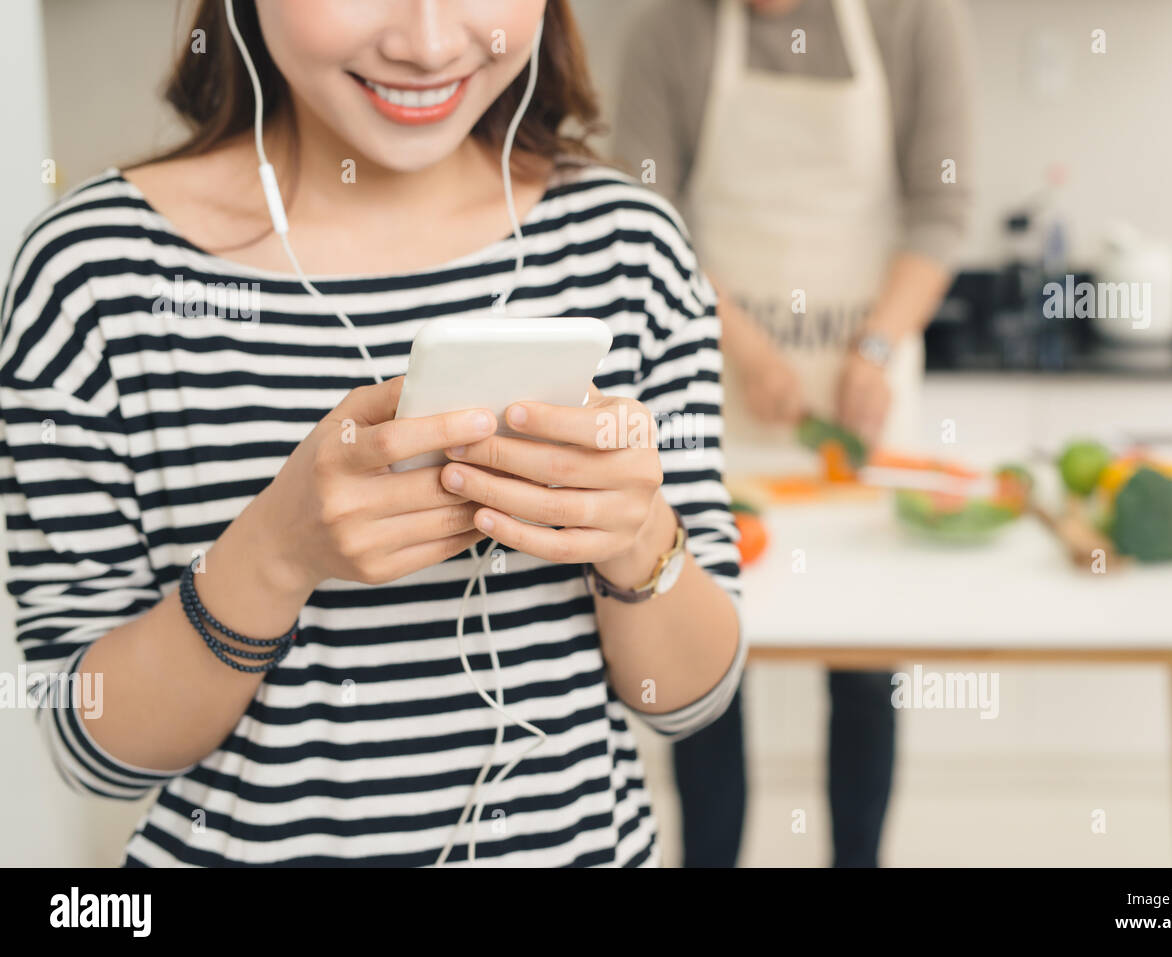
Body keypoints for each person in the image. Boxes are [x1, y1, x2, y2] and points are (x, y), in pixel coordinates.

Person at [0, 0, 745, 867]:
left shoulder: (630, 249)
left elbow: (689, 698)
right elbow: (96, 748)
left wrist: (637, 539)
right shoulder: (94, 279)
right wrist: (276, 555)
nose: (427, 45)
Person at [613, 0, 974, 866]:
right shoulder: (670, 35)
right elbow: (641, 210)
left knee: (863, 672)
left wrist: (878, 346)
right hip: (717, 400)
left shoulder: (913, 20)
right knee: (709, 671)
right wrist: (734, 344)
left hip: (866, 408)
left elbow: (943, 209)